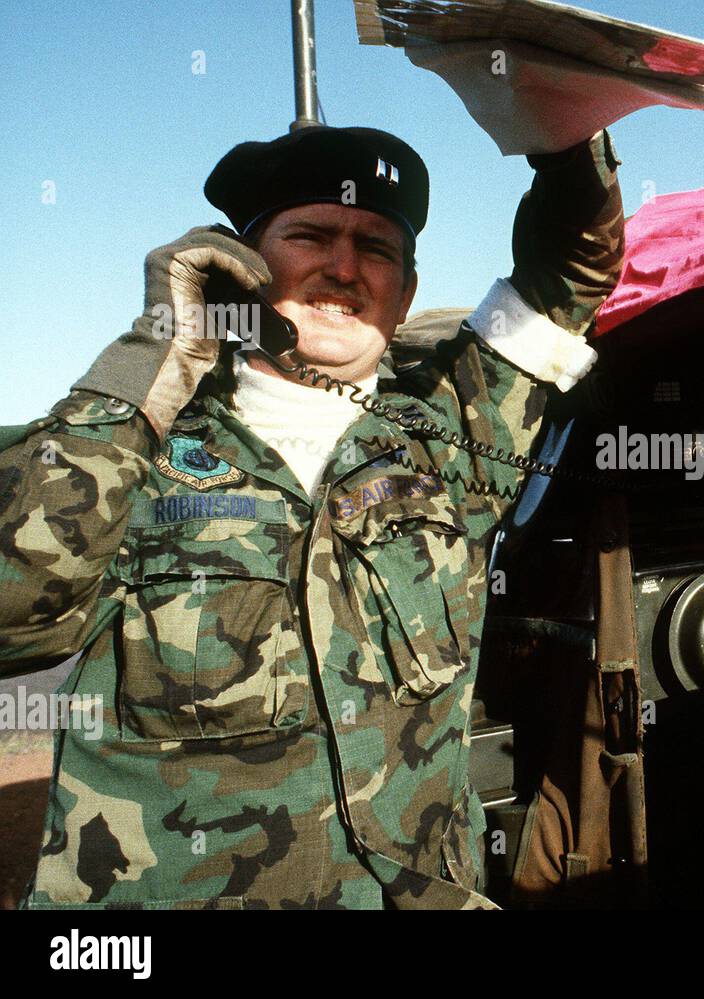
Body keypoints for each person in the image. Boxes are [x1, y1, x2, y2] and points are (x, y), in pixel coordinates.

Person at [0, 124, 624, 909]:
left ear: (404, 291)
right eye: (311, 235)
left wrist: (564, 132)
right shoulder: (126, 452)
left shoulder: (451, 441)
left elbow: (569, 270)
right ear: (241, 268)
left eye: (376, 247)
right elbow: (12, 611)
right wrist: (154, 352)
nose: (343, 266)